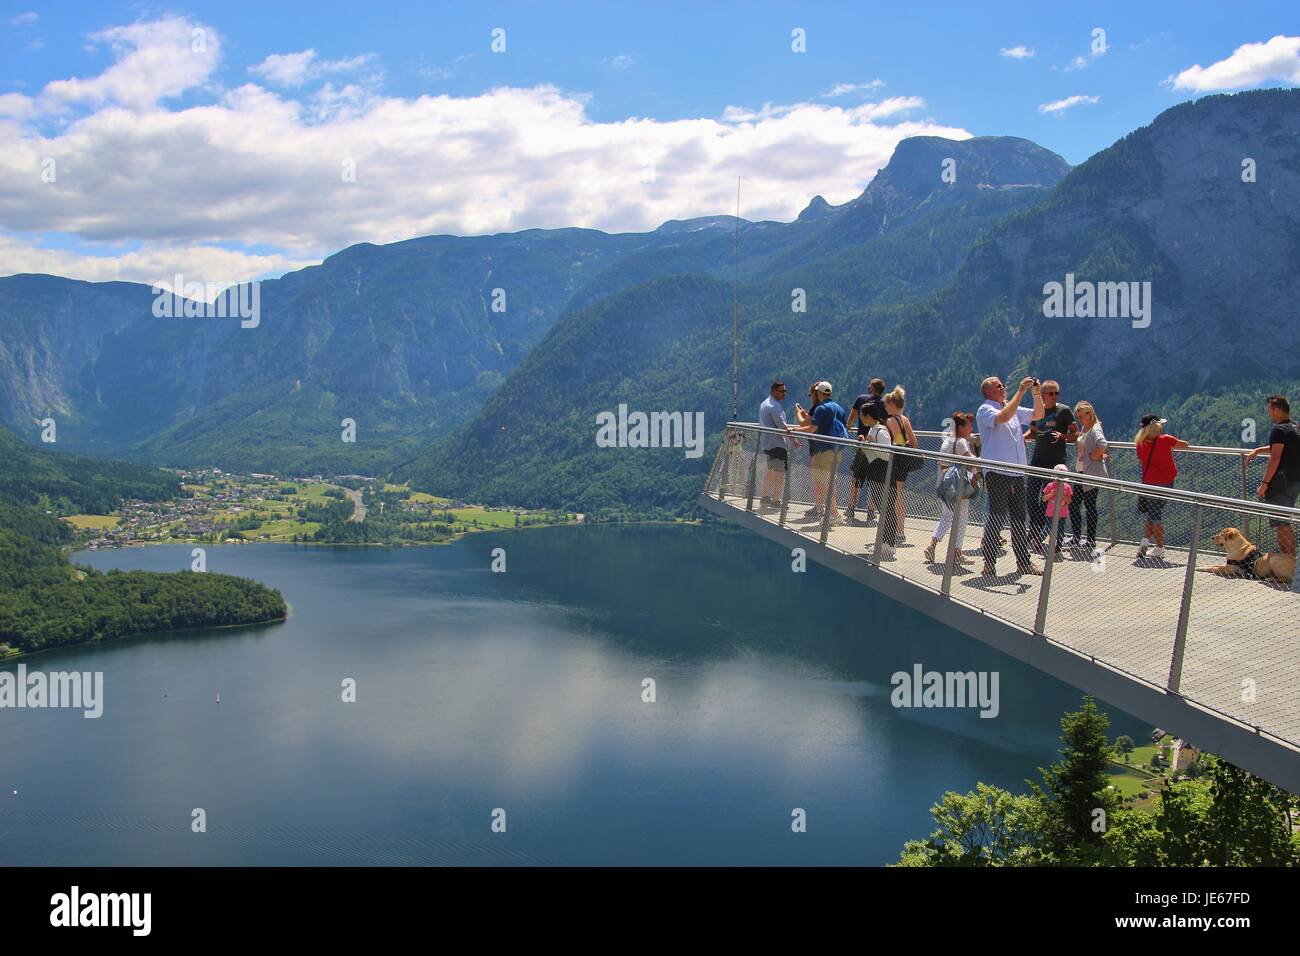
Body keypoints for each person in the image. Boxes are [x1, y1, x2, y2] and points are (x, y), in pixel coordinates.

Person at [976, 375, 1045, 577]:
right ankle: (989, 563)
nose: (1003, 388)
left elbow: (1038, 414)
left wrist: (1036, 393)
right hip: (997, 472)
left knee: (1018, 519)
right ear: (988, 391)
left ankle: (1023, 562)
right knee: (996, 518)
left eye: (1003, 385)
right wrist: (1021, 392)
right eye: (999, 386)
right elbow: (1003, 418)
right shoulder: (985, 409)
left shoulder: (1010, 407)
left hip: (1015, 472)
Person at [1025, 380, 1078, 550]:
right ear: (1042, 394)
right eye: (1051, 393)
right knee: (1032, 496)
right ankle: (1034, 533)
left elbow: (1076, 433)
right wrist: (1022, 439)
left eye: (1057, 393)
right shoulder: (1037, 411)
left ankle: (1048, 536)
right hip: (1038, 458)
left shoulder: (1063, 411)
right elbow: (1033, 432)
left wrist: (1062, 436)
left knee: (1051, 498)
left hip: (1056, 462)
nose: (1054, 396)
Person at [1246, 395, 1300, 561]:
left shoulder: (1278, 430)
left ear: (1277, 410)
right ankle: (1289, 562)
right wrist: (1258, 450)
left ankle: (1288, 563)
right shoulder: (1294, 428)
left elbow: (1276, 457)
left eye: (1269, 410)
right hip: (1295, 481)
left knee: (1282, 524)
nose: (1268, 413)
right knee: (1284, 521)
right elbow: (1283, 449)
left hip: (1281, 483)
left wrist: (1264, 483)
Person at [789, 381, 848, 524]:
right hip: (837, 450)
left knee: (821, 483)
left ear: (820, 393)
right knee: (830, 483)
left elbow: (811, 428)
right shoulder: (839, 408)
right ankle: (833, 513)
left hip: (822, 450)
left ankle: (833, 515)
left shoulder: (821, 408)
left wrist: (793, 430)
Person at [924, 411, 978, 564]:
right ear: (961, 427)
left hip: (945, 485)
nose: (971, 428)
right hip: (959, 486)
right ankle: (957, 552)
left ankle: (932, 545)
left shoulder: (946, 442)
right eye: (968, 426)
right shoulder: (961, 442)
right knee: (961, 519)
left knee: (947, 517)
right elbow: (971, 462)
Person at [1134, 414, 1189, 560]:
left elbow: (1141, 460)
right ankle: (1160, 547)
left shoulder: (1140, 443)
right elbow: (1185, 445)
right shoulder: (1165, 440)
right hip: (1166, 483)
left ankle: (1145, 542)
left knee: (1153, 513)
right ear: (1156, 427)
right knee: (1156, 514)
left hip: (1148, 484)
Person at [845, 380, 888, 523]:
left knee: (857, 475)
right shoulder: (884, 403)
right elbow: (887, 421)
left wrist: (849, 426)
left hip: (862, 444)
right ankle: (871, 510)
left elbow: (853, 414)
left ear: (872, 388)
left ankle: (851, 507)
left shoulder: (862, 399)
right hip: (877, 445)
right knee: (874, 478)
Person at [1071, 401, 1108, 554]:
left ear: (1089, 414)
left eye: (1081, 416)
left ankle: (1090, 539)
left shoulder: (1095, 428)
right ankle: (1076, 536)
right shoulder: (1085, 428)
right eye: (1078, 416)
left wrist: (1095, 454)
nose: (1080, 419)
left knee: (1089, 505)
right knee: (1074, 504)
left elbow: (1103, 444)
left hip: (1090, 473)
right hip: (1081, 471)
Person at [883, 386, 919, 543]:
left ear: (892, 404)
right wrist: (902, 444)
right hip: (904, 459)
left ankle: (896, 529)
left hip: (893, 461)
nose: (885, 407)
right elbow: (914, 442)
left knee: (893, 495)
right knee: (900, 494)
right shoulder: (905, 420)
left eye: (886, 404)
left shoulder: (889, 421)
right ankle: (901, 529)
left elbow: (887, 443)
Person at [758, 381, 798, 508]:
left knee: (770, 470)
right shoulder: (775, 406)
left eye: (785, 391)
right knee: (779, 473)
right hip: (777, 444)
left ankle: (765, 497)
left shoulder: (765, 403)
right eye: (782, 391)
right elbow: (783, 426)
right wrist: (794, 440)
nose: (784, 393)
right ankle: (776, 501)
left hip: (767, 442)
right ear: (774, 391)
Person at [1040, 465, 1074, 559]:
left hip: (1062, 514)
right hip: (1050, 513)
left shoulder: (1067, 487)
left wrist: (1062, 494)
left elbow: (1069, 500)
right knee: (1048, 529)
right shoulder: (1050, 486)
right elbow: (1043, 498)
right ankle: (1038, 541)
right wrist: (1052, 493)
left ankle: (1058, 547)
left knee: (1060, 531)